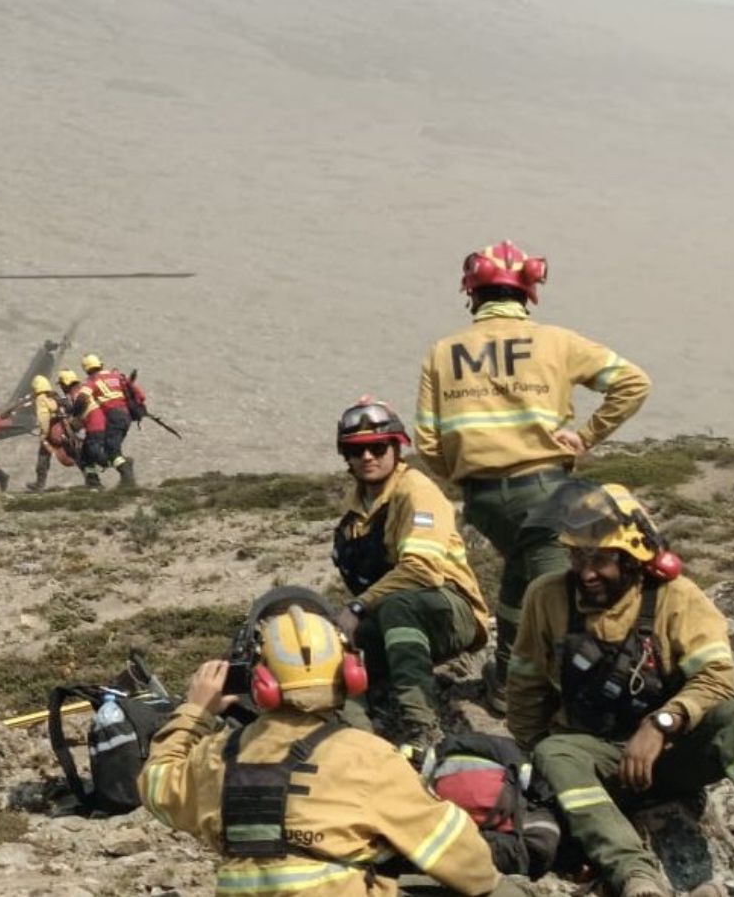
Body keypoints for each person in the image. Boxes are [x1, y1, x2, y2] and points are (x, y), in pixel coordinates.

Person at [138, 586, 516, 897]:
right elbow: (468, 865)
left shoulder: (218, 755)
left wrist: (195, 711)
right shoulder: (367, 758)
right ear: (350, 672)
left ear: (260, 679)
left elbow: (156, 787)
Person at [415, 240, 651, 714]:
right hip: (547, 491)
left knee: (519, 583)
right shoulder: (557, 342)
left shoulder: (442, 352)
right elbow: (634, 383)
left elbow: (427, 442)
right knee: (567, 597)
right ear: (527, 295)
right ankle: (581, 700)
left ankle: (506, 684)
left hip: (483, 501)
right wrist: (586, 436)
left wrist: (466, 476)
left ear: (472, 294)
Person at [507, 481, 734, 897]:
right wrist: (543, 771)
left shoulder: (677, 597)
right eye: (577, 556)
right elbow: (525, 685)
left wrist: (662, 723)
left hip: (671, 755)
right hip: (596, 759)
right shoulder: (547, 596)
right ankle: (635, 875)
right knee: (552, 752)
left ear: (633, 558)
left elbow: (718, 678)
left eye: (600, 559)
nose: (586, 572)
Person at [332, 397, 490, 751]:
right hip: (389, 612)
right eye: (357, 450)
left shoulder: (417, 492)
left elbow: (423, 570)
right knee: (334, 647)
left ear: (396, 447)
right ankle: (359, 738)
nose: (367, 457)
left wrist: (358, 606)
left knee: (398, 606)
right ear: (346, 456)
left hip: (449, 609)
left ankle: (423, 726)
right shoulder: (356, 506)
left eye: (377, 447)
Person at [79, 353, 140, 488]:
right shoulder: (116, 377)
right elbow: (139, 393)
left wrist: (74, 413)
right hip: (126, 416)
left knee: (112, 451)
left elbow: (82, 398)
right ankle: (124, 476)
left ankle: (127, 477)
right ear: (100, 364)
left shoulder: (93, 381)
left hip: (113, 416)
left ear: (86, 369)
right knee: (112, 448)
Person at [25, 374, 76, 492]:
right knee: (72, 453)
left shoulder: (41, 399)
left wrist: (43, 435)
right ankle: (90, 478)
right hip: (63, 431)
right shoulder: (55, 396)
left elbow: (43, 419)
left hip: (51, 433)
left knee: (43, 457)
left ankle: (40, 484)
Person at [59, 368, 106, 490]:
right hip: (97, 425)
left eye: (62, 385)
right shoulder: (82, 390)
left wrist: (72, 424)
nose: (61, 388)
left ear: (66, 383)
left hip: (93, 427)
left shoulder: (76, 395)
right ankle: (93, 482)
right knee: (85, 456)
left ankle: (117, 463)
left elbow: (78, 417)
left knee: (89, 453)